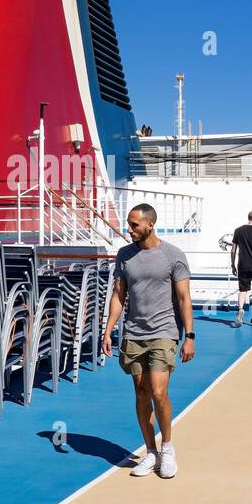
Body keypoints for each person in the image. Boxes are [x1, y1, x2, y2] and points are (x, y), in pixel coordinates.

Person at [102, 204, 194, 479]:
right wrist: (108, 331)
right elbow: (119, 296)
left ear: (150, 224)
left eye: (134, 225)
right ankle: (150, 452)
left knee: (158, 392)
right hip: (134, 333)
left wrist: (189, 335)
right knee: (141, 394)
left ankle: (167, 449)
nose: (129, 230)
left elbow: (183, 298)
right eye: (129, 225)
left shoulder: (173, 256)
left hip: (165, 332)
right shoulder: (125, 256)